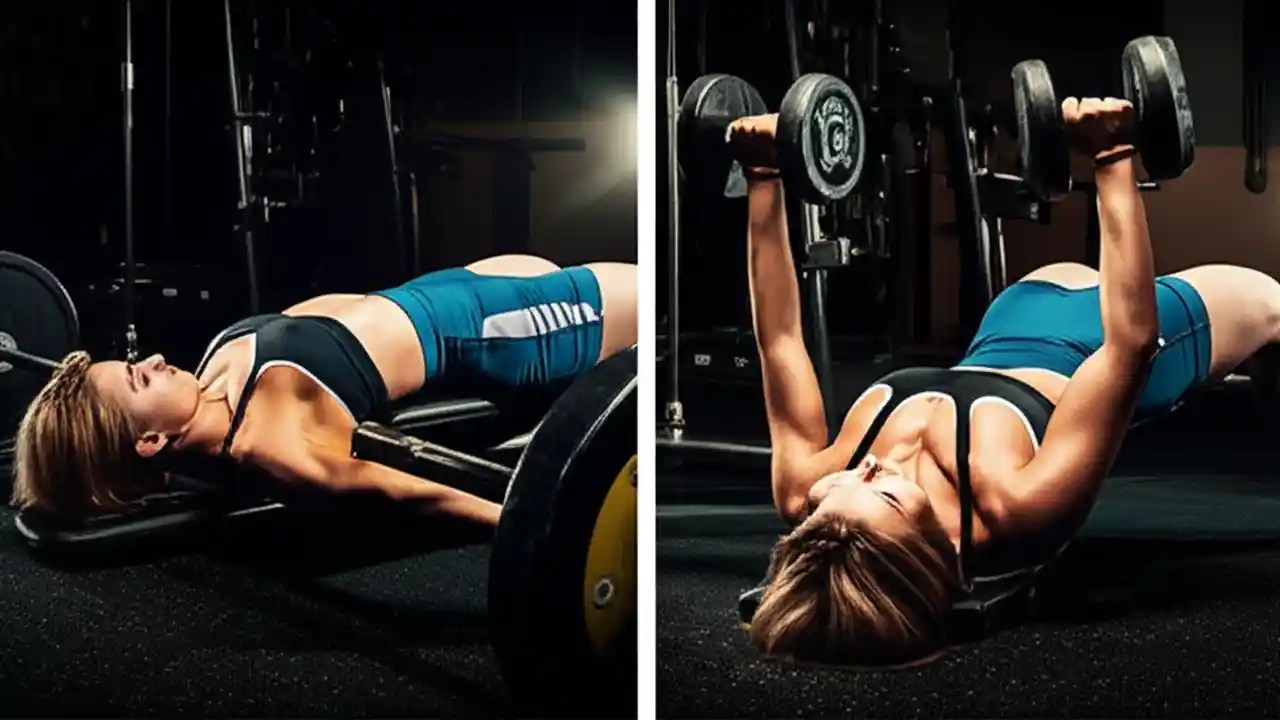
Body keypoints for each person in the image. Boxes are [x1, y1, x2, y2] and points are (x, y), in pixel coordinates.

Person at [734, 98, 1280, 666]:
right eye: (887, 495)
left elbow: (778, 339)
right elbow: (1130, 349)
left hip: (1019, 313)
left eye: (836, 493)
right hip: (1122, 337)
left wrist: (763, 175)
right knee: (1272, 307)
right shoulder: (1014, 508)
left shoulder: (803, 486)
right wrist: (1114, 156)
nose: (867, 468)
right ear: (932, 552)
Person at [11, 255, 637, 528]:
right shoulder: (270, 441)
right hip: (506, 330)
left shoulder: (208, 385)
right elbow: (407, 493)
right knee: (670, 296)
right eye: (137, 378)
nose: (149, 360)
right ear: (149, 440)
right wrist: (532, 528)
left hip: (456, 291)